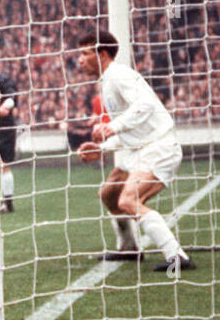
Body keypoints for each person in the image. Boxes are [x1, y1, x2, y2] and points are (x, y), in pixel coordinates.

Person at [75, 28, 193, 274]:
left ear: (102, 54)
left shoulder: (118, 75)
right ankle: (129, 248)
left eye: (85, 54)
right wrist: (102, 148)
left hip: (159, 147)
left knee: (128, 200)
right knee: (109, 194)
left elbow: (146, 105)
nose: (80, 60)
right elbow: (132, 130)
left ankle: (177, 256)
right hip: (139, 149)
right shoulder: (108, 81)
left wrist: (111, 127)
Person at [0, 67, 19, 212]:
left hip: (4, 127)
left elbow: (11, 97)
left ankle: (8, 202)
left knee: (2, 165)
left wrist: (5, 106)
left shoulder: (2, 78)